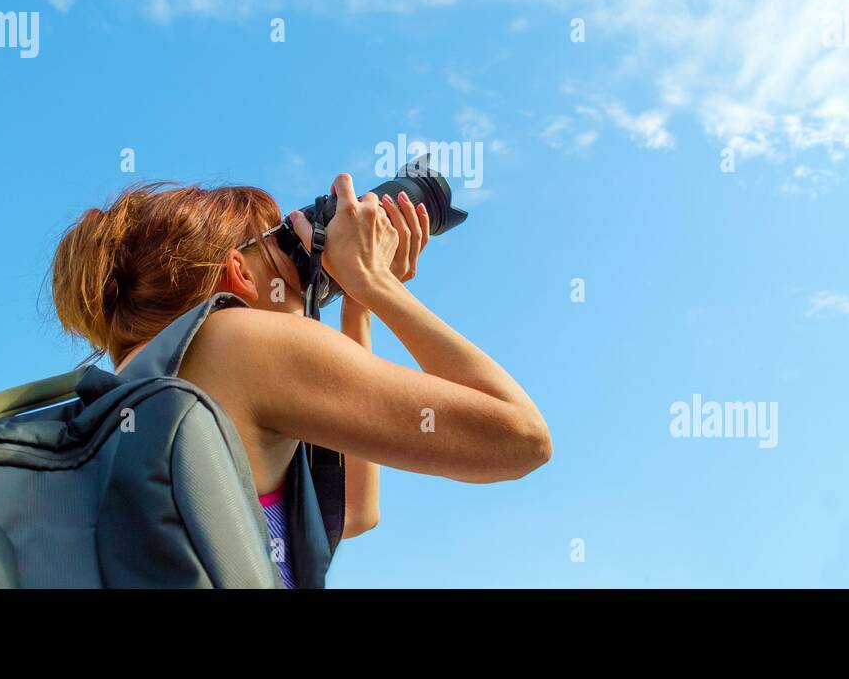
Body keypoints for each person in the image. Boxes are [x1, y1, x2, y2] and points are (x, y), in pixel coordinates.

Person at [51, 172, 551, 586]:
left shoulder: (136, 391)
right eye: (281, 244)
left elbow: (353, 511)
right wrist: (372, 281)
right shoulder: (237, 337)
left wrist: (359, 304)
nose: (306, 261)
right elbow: (520, 438)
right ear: (240, 274)